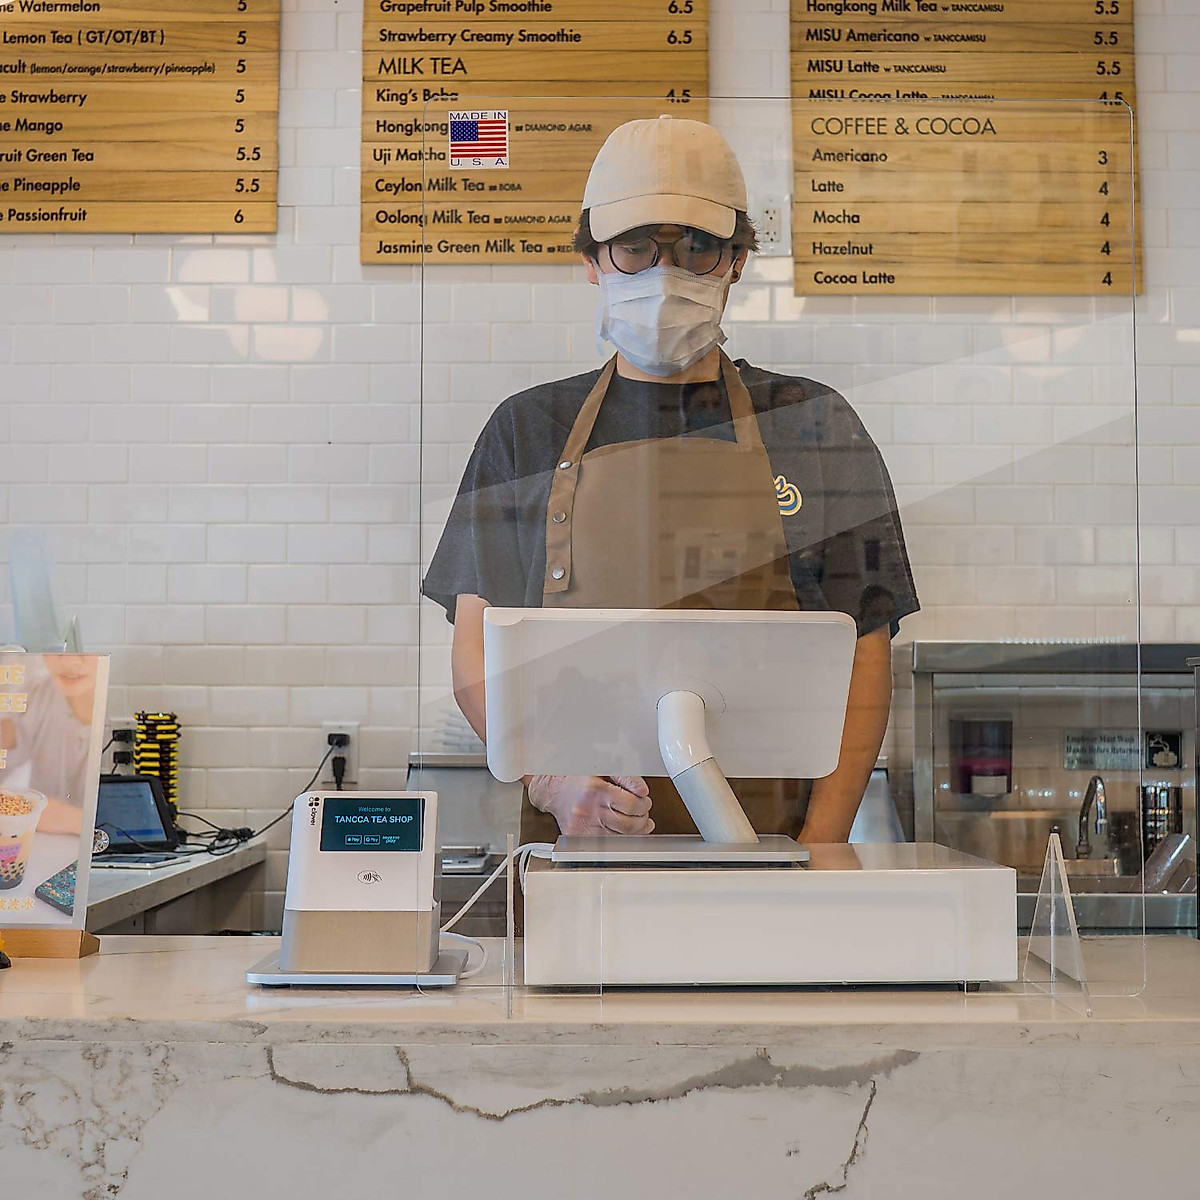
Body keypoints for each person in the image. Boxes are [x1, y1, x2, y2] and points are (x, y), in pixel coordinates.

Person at [423, 115, 919, 848]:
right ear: (591, 259)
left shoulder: (814, 425)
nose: (665, 274)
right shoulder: (525, 430)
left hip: (771, 863)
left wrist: (818, 849)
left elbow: (864, 656)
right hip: (581, 860)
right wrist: (550, 782)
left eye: (697, 247)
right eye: (634, 248)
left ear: (737, 262)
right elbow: (476, 647)